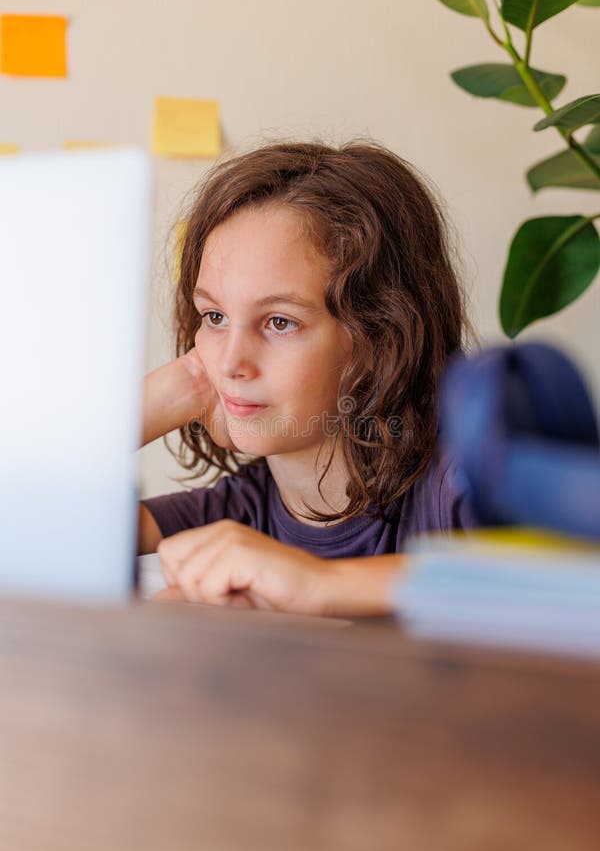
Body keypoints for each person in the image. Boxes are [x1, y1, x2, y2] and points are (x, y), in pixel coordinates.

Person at [139, 140, 479, 616]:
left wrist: (323, 583)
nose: (231, 361)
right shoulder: (241, 512)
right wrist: (171, 391)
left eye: (280, 322)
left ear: (381, 336)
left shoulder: (456, 486)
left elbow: (562, 585)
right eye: (213, 317)